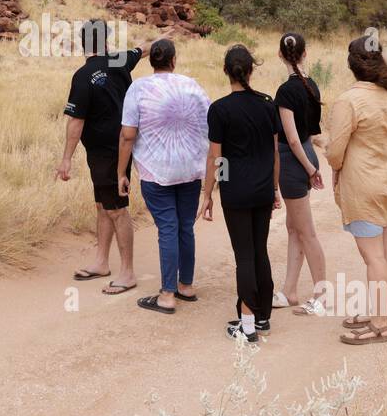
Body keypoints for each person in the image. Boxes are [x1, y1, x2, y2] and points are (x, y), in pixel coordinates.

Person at [325, 36, 387, 345]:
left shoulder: (349, 100)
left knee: (373, 258)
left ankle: (379, 324)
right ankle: (383, 313)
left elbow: (335, 151)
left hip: (364, 186)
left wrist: (334, 169)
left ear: (352, 64)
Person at [116, 39, 211, 315]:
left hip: (156, 170)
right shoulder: (192, 85)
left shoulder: (139, 88)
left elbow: (128, 134)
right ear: (173, 59)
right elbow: (210, 123)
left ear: (151, 61)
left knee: (167, 228)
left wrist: (121, 171)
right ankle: (186, 285)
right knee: (185, 227)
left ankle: (167, 294)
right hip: (190, 167)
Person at [200, 45, 281, 342]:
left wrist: (209, 193)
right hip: (261, 189)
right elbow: (274, 154)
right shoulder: (267, 104)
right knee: (260, 250)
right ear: (251, 70)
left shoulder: (220, 109)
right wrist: (275, 189)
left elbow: (217, 160)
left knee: (244, 255)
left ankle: (246, 326)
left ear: (226, 71)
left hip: (235, 190)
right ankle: (262, 317)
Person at [56, 20, 144, 295]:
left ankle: (127, 273)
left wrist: (66, 159)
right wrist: (162, 41)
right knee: (102, 205)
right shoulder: (120, 60)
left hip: (108, 152)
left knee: (117, 208)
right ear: (106, 40)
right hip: (115, 148)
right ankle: (101, 262)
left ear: (84, 43)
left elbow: (76, 122)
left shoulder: (83, 75)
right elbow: (144, 50)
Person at [271, 32, 329, 316]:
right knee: (294, 228)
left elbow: (291, 139)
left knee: (306, 231)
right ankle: (289, 291)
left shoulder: (285, 92)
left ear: (281, 56)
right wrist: (312, 164)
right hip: (305, 154)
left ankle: (321, 295)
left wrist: (310, 169)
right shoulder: (312, 86)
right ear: (305, 54)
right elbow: (308, 134)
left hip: (295, 160)